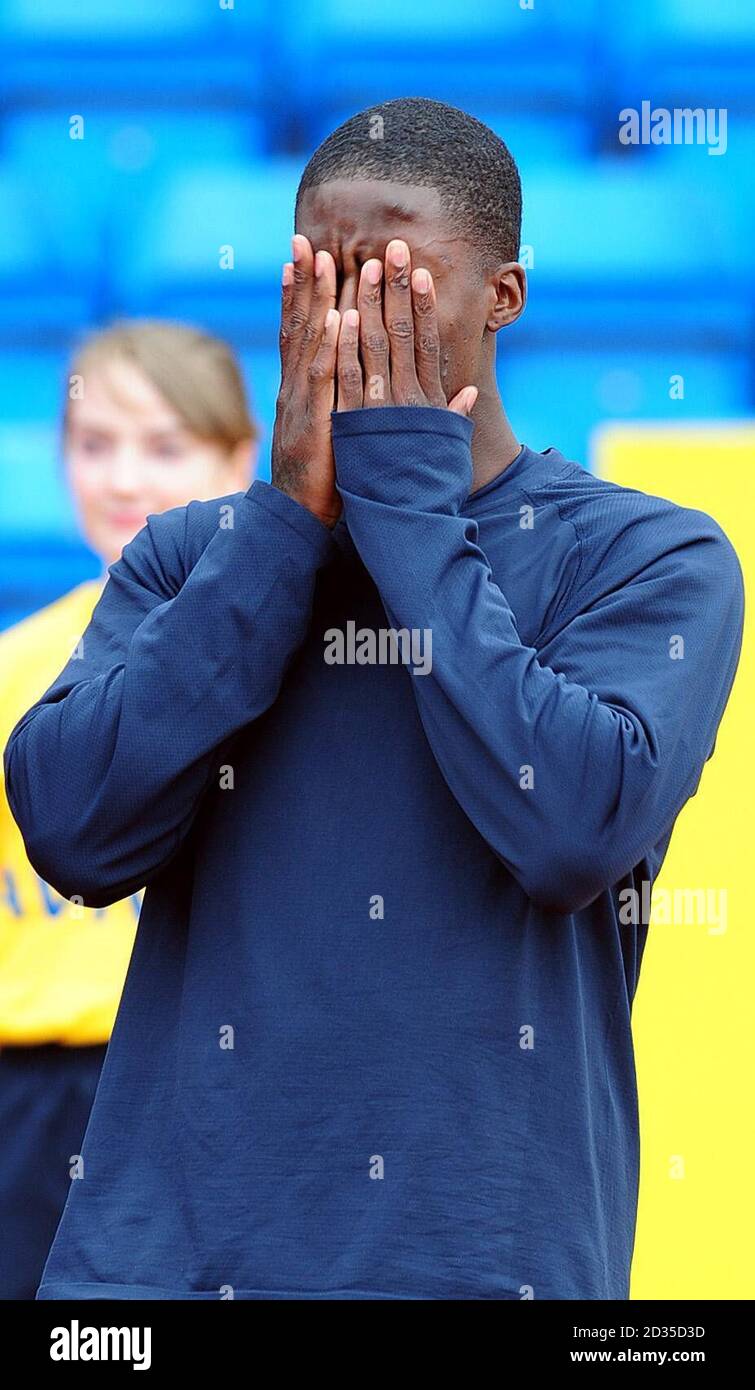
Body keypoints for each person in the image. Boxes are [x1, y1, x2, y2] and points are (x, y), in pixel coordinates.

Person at [5, 99, 743, 1301]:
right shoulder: (193, 556)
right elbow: (75, 830)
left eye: (401, 281)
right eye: (329, 280)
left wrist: (406, 508)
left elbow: (570, 827)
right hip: (157, 1272)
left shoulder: (648, 558)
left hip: (476, 1259)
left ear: (502, 297)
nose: (358, 320)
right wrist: (280, 532)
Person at [0, 320, 256, 1298]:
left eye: (164, 446)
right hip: (39, 1102)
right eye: (95, 444)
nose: (123, 478)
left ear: (240, 459)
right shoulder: (20, 665)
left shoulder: (299, 659)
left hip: (228, 1084)